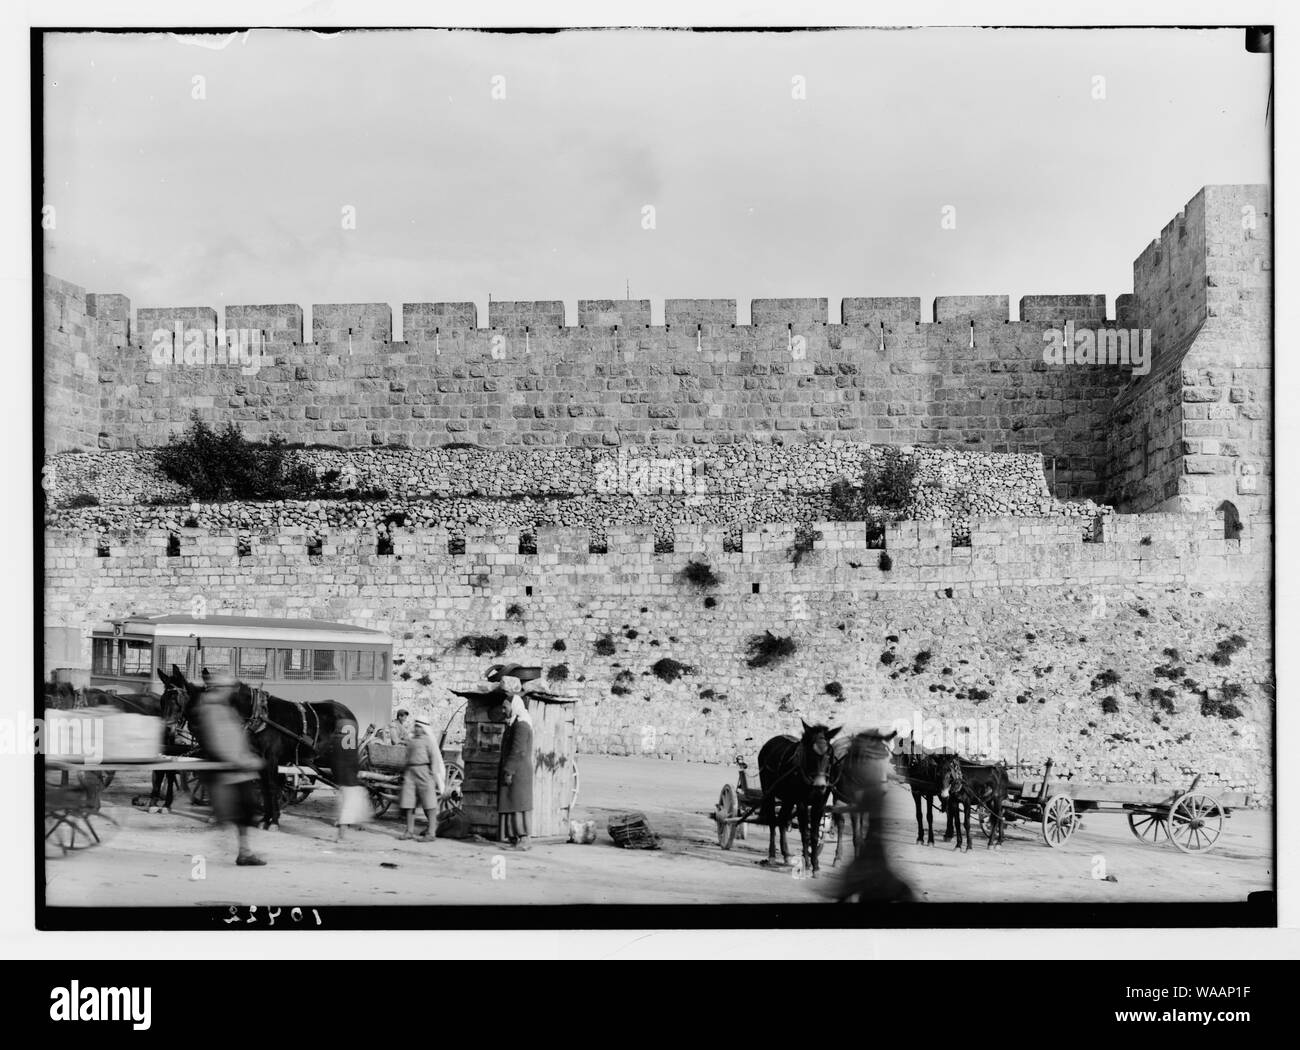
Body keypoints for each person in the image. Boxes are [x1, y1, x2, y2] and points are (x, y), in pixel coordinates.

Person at [194, 672, 266, 867]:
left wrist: (247, 757)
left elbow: (233, 737)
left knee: (245, 812)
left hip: (237, 769)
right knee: (236, 813)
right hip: (229, 770)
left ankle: (244, 852)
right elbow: (218, 740)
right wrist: (241, 761)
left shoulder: (222, 708)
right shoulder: (213, 710)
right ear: (221, 689)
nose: (231, 691)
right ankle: (238, 851)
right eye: (228, 688)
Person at [496, 680, 534, 851]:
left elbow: (518, 751)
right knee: (512, 803)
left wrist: (509, 770)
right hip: (513, 770)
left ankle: (524, 839)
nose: (503, 711)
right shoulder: (514, 723)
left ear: (514, 706)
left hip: (518, 771)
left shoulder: (522, 724)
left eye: (505, 708)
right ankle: (514, 838)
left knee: (518, 804)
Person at [399, 719, 444, 841]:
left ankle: (431, 833)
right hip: (410, 772)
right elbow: (407, 756)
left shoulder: (428, 741)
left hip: (424, 772)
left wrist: (433, 774)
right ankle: (409, 831)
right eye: (416, 726)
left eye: (420, 727)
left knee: (429, 803)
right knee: (408, 803)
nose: (417, 729)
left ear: (424, 728)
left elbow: (434, 757)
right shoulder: (411, 741)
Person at [330, 722, 370, 841]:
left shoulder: (336, 743)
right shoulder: (352, 744)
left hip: (342, 779)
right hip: (351, 780)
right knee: (349, 807)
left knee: (347, 805)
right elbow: (354, 762)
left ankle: (353, 827)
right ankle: (341, 836)